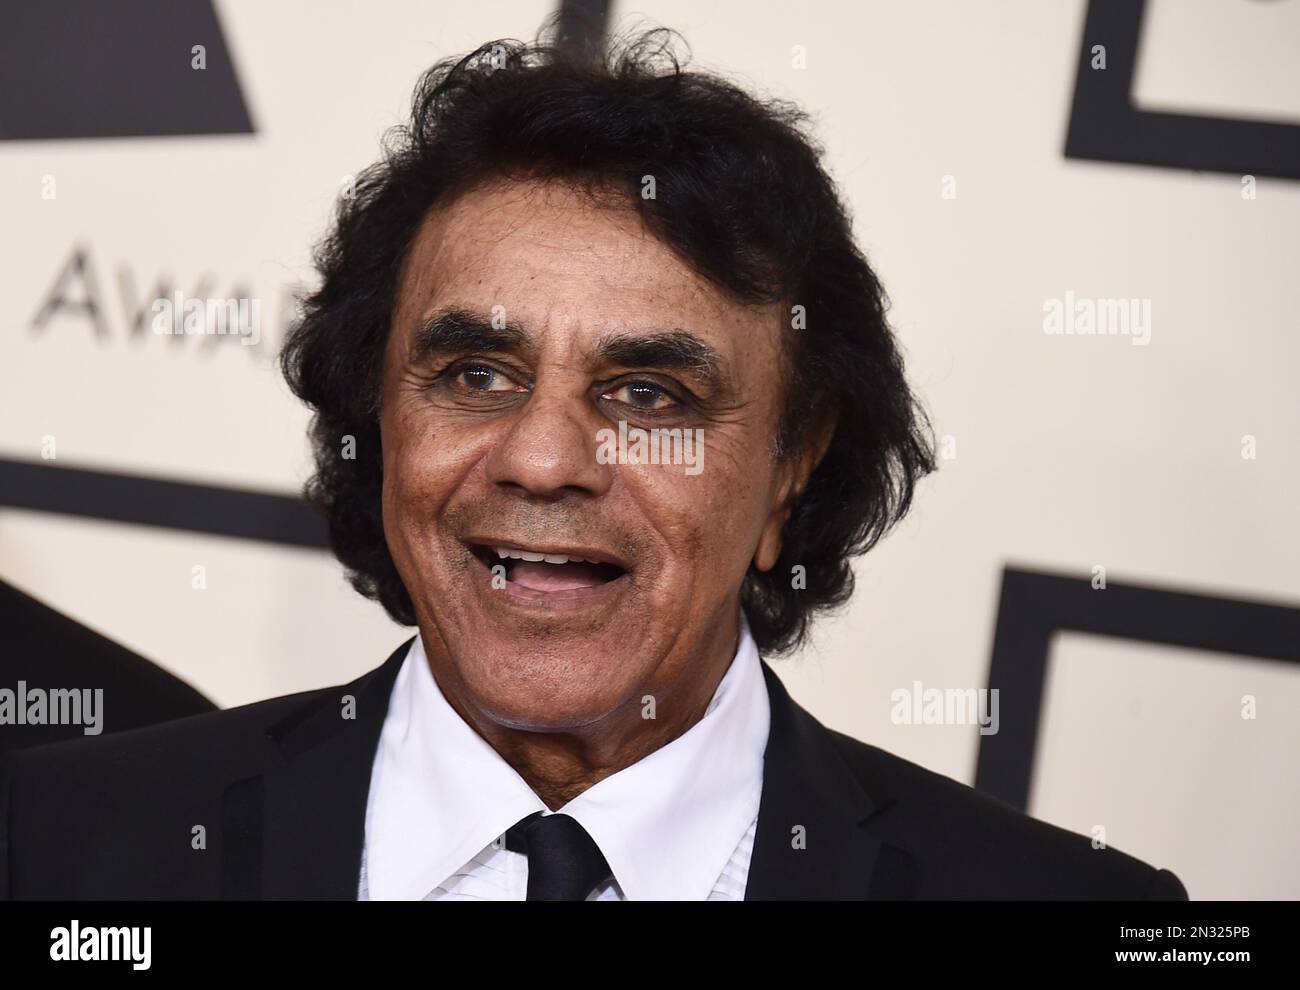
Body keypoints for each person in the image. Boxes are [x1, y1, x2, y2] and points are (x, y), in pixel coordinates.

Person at [0, 29, 1187, 901]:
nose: (545, 457)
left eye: (646, 393)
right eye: (475, 373)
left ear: (790, 467)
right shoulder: (64, 845)